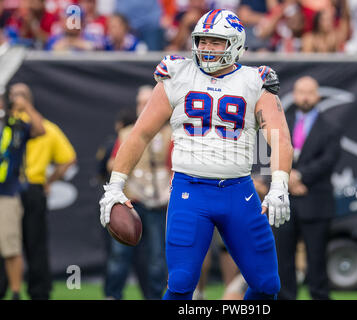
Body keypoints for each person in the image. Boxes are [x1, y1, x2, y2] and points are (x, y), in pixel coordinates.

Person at [99, 9, 293, 300]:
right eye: (202, 41)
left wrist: (278, 185)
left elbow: (278, 136)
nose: (206, 48)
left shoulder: (256, 80)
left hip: (239, 192)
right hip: (190, 191)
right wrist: (114, 186)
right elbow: (139, 133)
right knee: (181, 282)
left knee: (266, 284)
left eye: (215, 42)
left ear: (235, 44)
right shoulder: (178, 74)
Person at [273, 76, 341, 300]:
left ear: (317, 95)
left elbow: (329, 160)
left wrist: (299, 176)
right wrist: (288, 179)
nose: (304, 97)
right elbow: (272, 153)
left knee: (317, 261)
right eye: (300, 91)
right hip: (285, 202)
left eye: (309, 92)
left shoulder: (330, 126)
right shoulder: (283, 124)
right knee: (283, 260)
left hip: (316, 201)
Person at [7, 83, 76, 300]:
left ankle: (39, 293)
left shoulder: (44, 127)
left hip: (32, 187)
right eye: (14, 97)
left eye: (22, 97)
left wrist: (49, 181)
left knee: (35, 243)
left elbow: (67, 159)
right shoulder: (6, 126)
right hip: (7, 188)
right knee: (5, 243)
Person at [103, 86, 171, 300]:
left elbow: (176, 166)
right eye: (140, 103)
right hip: (131, 200)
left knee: (157, 257)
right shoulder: (127, 132)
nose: (144, 107)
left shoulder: (170, 133)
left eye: (148, 102)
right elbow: (111, 163)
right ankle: (113, 295)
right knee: (120, 253)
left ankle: (155, 296)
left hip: (159, 201)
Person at [0, 84, 45, 300]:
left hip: (7, 193)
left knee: (10, 246)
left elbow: (40, 129)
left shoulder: (16, 125)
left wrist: (24, 105)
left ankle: (16, 293)